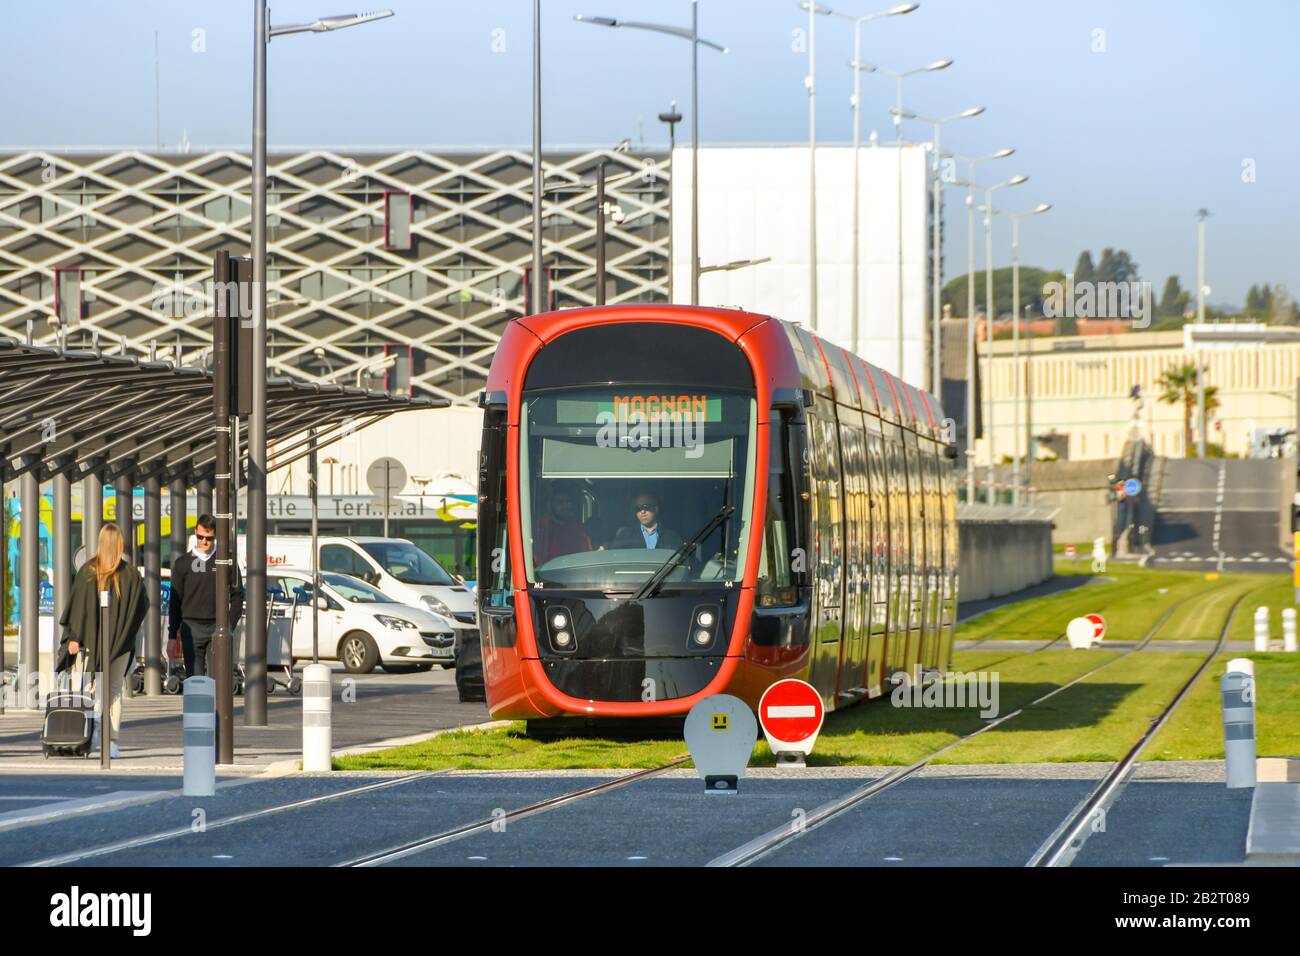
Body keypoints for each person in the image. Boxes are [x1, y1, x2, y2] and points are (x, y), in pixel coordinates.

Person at [58, 523, 149, 758]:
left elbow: (77, 610)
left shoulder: (88, 571)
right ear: (119, 544)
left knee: (89, 689)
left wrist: (74, 639)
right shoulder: (130, 575)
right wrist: (126, 636)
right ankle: (112, 741)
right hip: (120, 646)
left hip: (89, 645)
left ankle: (89, 735)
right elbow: (141, 607)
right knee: (114, 691)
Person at [167, 514, 244, 678]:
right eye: (200, 536)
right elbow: (175, 601)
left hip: (218, 625)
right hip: (191, 627)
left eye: (209, 538)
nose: (204, 541)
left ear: (215, 536)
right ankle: (199, 704)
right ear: (195, 532)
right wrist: (172, 635)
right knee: (195, 680)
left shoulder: (227, 561)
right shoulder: (182, 563)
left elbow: (237, 596)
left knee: (219, 678)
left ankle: (216, 705)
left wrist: (229, 626)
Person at [532, 487, 591, 564]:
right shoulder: (541, 526)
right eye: (560, 502)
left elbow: (586, 554)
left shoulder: (578, 527)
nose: (565, 506)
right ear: (550, 504)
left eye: (568, 502)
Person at [611, 493, 682, 550]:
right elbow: (615, 554)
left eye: (646, 507)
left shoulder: (672, 537)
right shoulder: (625, 535)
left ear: (656, 509)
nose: (642, 511)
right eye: (638, 508)